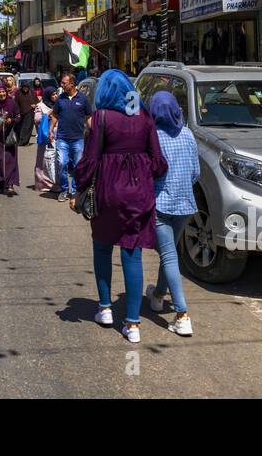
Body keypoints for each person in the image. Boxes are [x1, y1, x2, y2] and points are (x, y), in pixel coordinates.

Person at [71, 70, 167, 344]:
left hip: (108, 193)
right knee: (132, 253)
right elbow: (159, 162)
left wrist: (78, 186)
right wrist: (143, 170)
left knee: (102, 246)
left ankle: (104, 308)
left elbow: (89, 161)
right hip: (139, 194)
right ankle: (133, 323)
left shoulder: (101, 118)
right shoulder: (144, 117)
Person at [145, 91, 198, 336]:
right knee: (171, 254)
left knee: (168, 256)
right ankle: (157, 296)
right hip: (186, 204)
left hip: (162, 204)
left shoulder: (152, 137)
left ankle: (182, 314)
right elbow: (196, 172)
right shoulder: (187, 135)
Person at [54, 73, 92, 201]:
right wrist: (49, 130)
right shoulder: (60, 99)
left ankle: (75, 190)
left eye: (64, 83)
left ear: (72, 84)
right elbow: (55, 115)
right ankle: (64, 189)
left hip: (78, 138)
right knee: (62, 162)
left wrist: (93, 131)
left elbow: (88, 117)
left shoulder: (83, 99)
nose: (62, 85)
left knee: (77, 166)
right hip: (62, 137)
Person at [14, 79, 37, 146]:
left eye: (26, 87)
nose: (25, 88)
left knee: (27, 128)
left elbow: (37, 102)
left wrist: (34, 105)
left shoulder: (32, 92)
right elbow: (16, 103)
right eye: (24, 87)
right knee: (19, 127)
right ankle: (19, 140)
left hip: (30, 112)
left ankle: (24, 141)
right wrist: (17, 112)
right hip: (20, 112)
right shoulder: (18, 93)